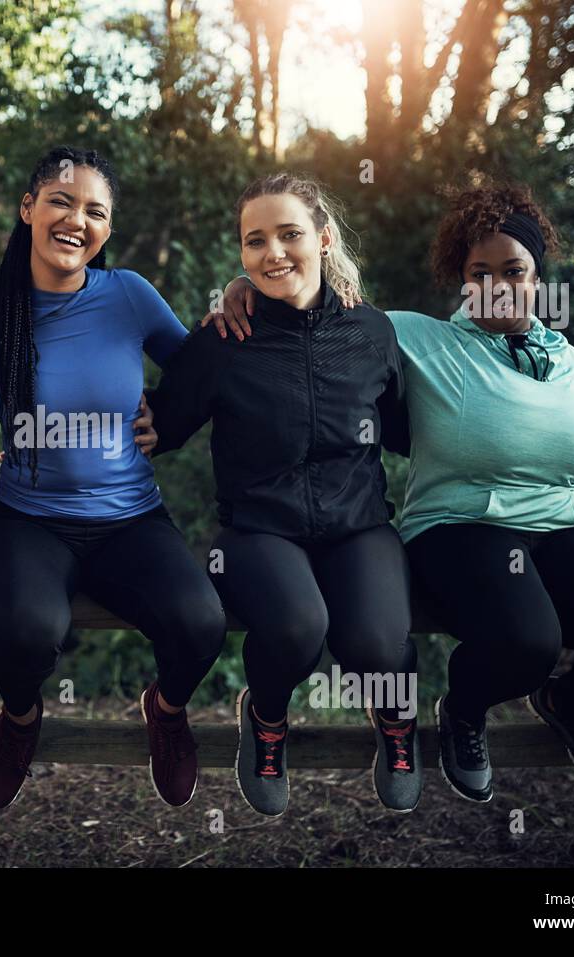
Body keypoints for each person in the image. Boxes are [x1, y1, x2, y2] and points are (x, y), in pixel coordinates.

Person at [214, 182, 574, 803]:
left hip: (561, 531)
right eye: (478, 271)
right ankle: (462, 712)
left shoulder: (571, 364)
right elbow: (318, 317)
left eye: (513, 270)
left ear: (538, 275)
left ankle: (567, 704)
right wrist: (247, 289)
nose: (496, 285)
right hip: (462, 527)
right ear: (460, 278)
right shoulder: (418, 338)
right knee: (529, 641)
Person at [0, 146, 227, 812]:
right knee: (21, 630)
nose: (77, 219)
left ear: (106, 229)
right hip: (27, 520)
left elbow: (200, 367)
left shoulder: (128, 295)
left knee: (200, 623)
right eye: (61, 200)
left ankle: (164, 711)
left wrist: (167, 421)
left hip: (130, 517)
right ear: (29, 209)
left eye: (94, 211)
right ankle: (20, 719)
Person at [147, 172, 420, 817]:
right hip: (258, 530)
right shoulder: (224, 339)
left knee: (380, 645)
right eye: (255, 241)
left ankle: (398, 728)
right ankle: (266, 721)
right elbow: (162, 424)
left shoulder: (371, 332)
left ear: (323, 239)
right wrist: (68, 427)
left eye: (289, 234)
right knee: (299, 628)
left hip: (358, 525)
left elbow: (409, 430)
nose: (273, 253)